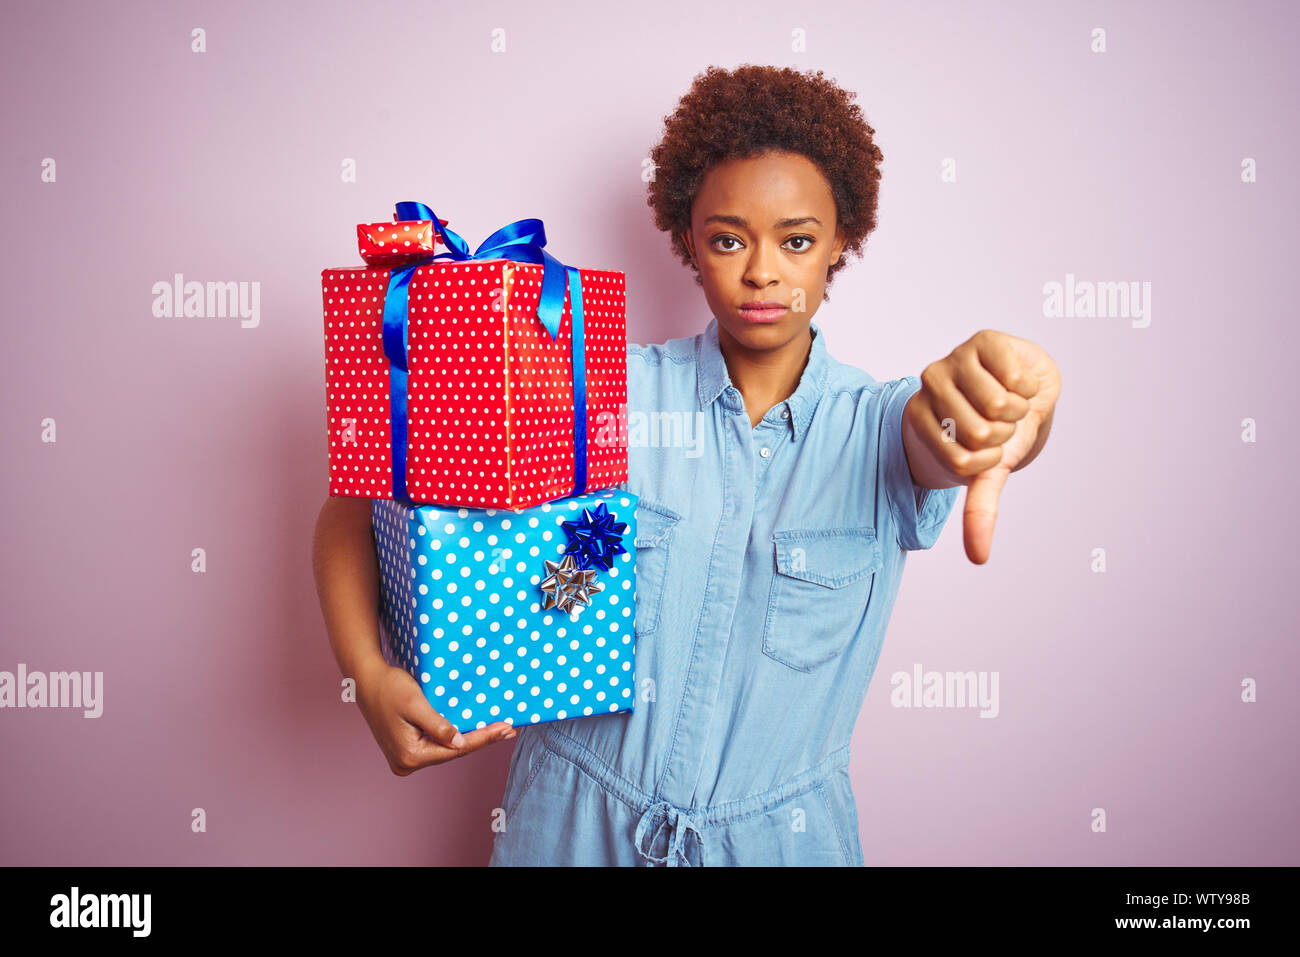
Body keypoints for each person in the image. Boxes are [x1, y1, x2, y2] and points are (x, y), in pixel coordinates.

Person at [312, 64, 1061, 866]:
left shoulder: (879, 427)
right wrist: (368, 669)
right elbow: (359, 506)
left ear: (842, 239)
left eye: (797, 239)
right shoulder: (597, 387)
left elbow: (940, 429)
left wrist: (999, 406)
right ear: (688, 241)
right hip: (566, 827)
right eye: (728, 238)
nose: (762, 271)